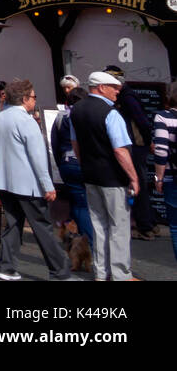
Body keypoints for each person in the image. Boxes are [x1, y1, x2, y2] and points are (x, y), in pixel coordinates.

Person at [0, 78, 75, 281]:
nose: (35, 100)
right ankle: (60, 271)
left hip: (2, 181)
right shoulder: (27, 121)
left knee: (13, 224)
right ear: (25, 99)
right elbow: (38, 157)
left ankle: (6, 268)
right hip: (27, 184)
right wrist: (48, 186)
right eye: (34, 97)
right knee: (42, 226)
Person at [70, 71, 139, 281]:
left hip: (91, 175)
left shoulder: (76, 110)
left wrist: (85, 165)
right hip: (113, 177)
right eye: (114, 86)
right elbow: (120, 150)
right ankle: (120, 274)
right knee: (118, 227)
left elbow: (76, 145)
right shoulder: (111, 113)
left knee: (99, 227)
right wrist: (134, 178)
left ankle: (101, 273)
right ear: (101, 87)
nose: (118, 91)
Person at [103, 65, 160, 239]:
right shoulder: (127, 95)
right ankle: (149, 222)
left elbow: (141, 120)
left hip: (135, 146)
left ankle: (145, 226)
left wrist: (149, 140)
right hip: (135, 145)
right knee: (139, 183)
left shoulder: (127, 97)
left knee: (137, 184)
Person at [51, 87, 94, 248]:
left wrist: (60, 163)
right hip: (85, 162)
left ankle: (83, 239)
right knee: (89, 203)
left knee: (77, 203)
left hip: (67, 162)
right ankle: (90, 241)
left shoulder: (61, 117)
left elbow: (54, 143)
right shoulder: (86, 114)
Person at [152, 80, 176, 264]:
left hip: (173, 177)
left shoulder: (163, 117)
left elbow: (161, 150)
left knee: (176, 227)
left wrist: (158, 177)